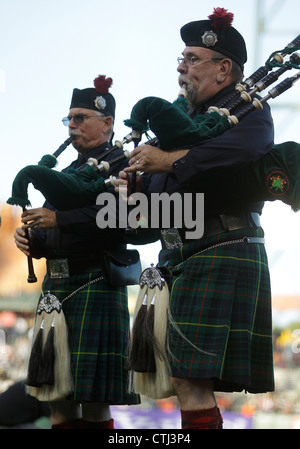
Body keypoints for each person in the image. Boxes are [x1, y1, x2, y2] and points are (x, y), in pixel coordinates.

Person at [117, 8, 275, 429]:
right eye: (180, 59)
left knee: (190, 378)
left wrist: (166, 160)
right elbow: (149, 223)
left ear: (223, 69)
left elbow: (239, 154)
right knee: (182, 378)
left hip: (221, 248)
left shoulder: (249, 114)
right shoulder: (176, 126)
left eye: (191, 59)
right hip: (178, 256)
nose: (180, 68)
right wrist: (130, 199)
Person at [14, 75, 140, 429]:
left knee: (95, 402)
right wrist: (34, 242)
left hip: (94, 282)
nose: (72, 126)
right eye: (69, 119)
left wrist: (58, 217)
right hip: (56, 288)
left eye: (80, 118)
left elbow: (122, 217)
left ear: (107, 122)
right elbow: (55, 230)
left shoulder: (122, 164)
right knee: (58, 402)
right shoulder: (68, 171)